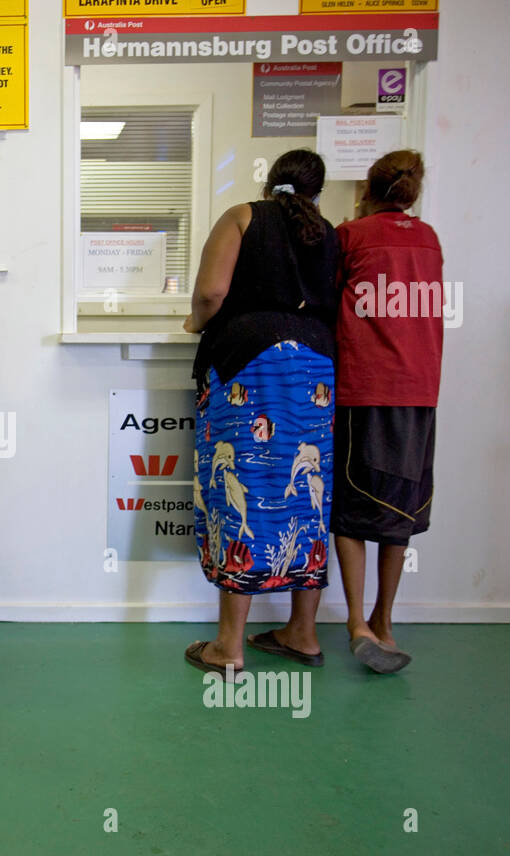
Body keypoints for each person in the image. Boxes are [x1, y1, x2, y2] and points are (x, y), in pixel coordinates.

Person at [182, 149, 341, 679]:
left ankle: (229, 647)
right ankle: (303, 632)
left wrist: (194, 321)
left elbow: (210, 291)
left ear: (271, 181)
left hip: (249, 366)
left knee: (241, 485)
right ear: (315, 192)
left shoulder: (242, 216)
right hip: (316, 368)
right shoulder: (330, 234)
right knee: (308, 495)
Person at [331, 151, 443, 674]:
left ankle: (356, 622)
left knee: (353, 505)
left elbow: (327, 300)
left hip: (366, 387)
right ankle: (384, 621)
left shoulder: (351, 236)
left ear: (368, 190)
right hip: (420, 391)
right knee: (400, 507)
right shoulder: (429, 239)